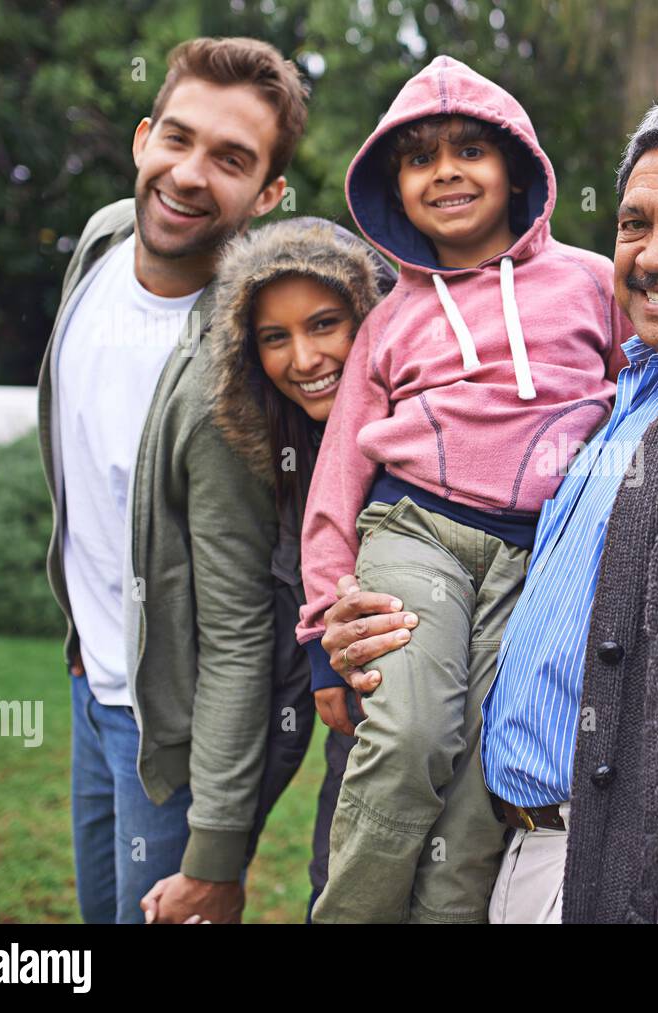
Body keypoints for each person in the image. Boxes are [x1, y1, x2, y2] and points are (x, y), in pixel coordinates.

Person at [316, 84, 658, 923]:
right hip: (512, 851)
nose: (655, 255)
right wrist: (354, 613)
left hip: (623, 870)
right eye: (633, 225)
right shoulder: (626, 384)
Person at [298, 55, 631, 924]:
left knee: (488, 770)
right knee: (411, 733)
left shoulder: (595, 285)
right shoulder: (391, 318)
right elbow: (336, 477)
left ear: (516, 168)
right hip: (417, 531)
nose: (446, 170)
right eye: (419, 157)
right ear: (394, 188)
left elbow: (647, 397)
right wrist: (320, 634)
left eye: (470, 150)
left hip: (539, 555)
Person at [36, 37, 308, 924]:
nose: (190, 175)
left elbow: (239, 632)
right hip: (91, 685)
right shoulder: (103, 241)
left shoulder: (230, 374)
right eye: (178, 140)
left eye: (230, 160)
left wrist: (219, 855)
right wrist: (86, 629)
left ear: (267, 195)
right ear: (144, 136)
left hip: (172, 739)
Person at [203, 215, 401, 920]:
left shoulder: (421, 435)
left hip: (442, 725)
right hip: (356, 732)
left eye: (325, 325)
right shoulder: (292, 454)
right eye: (274, 337)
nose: (304, 357)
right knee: (335, 882)